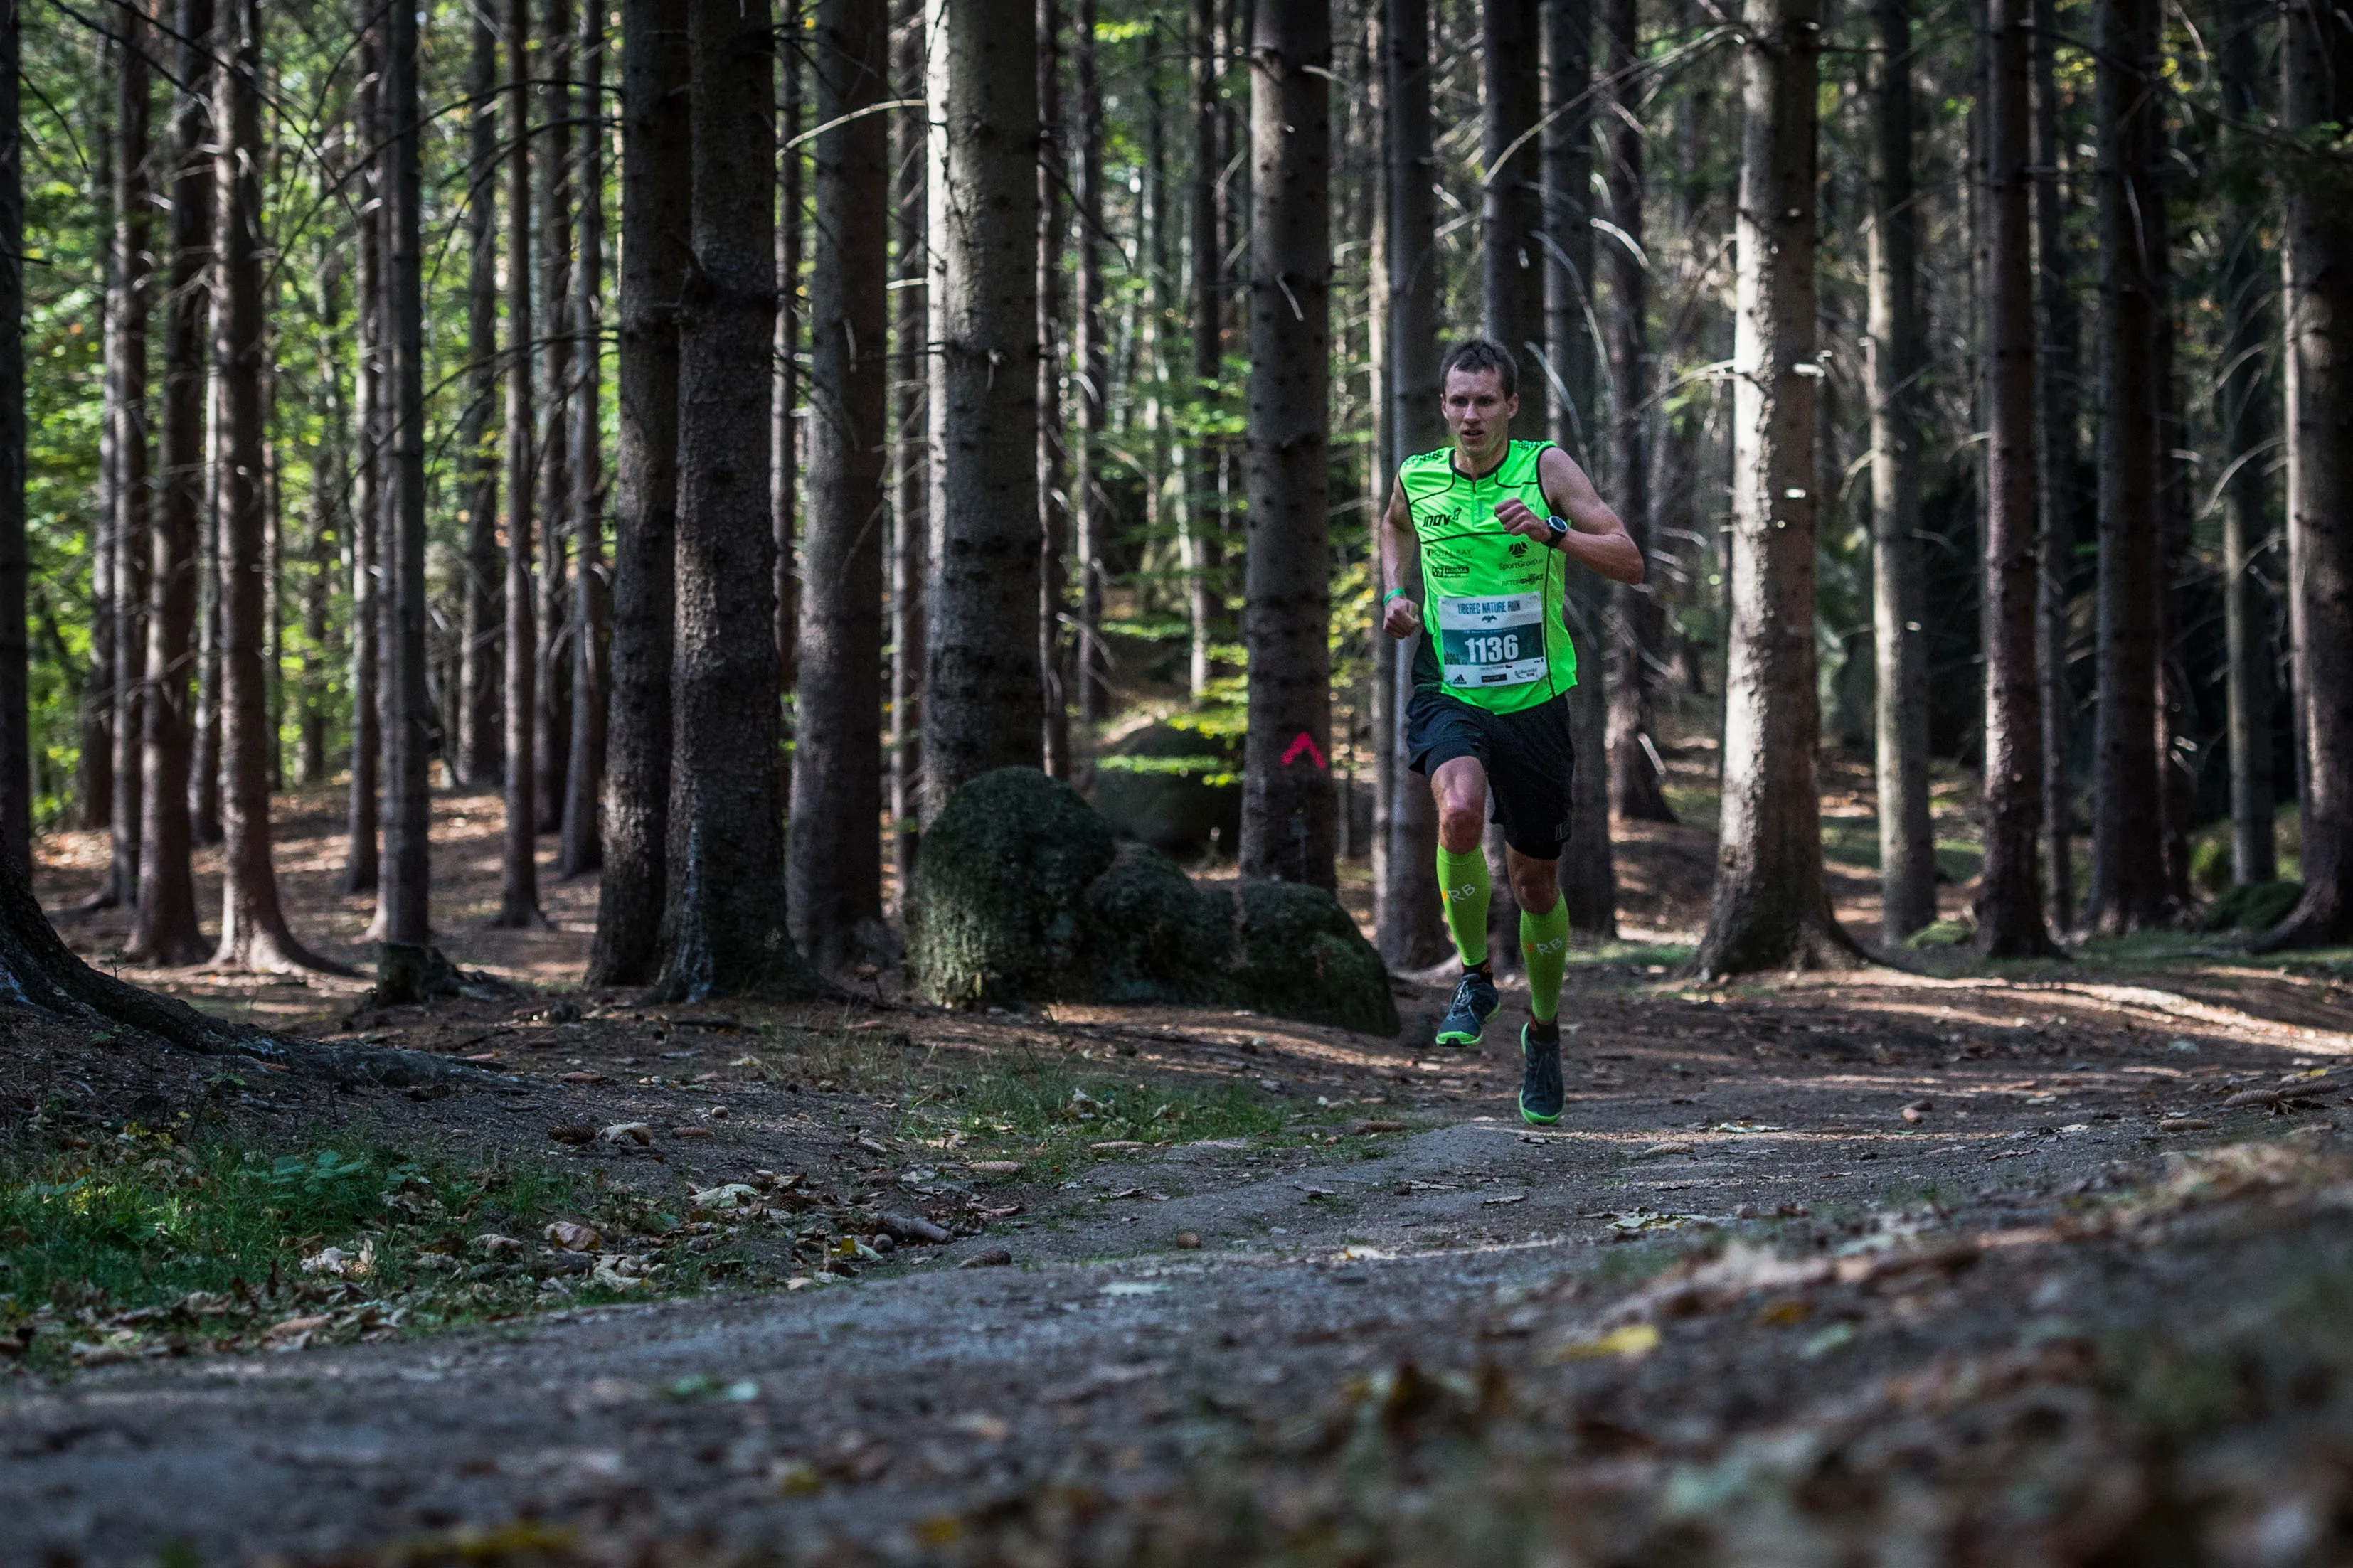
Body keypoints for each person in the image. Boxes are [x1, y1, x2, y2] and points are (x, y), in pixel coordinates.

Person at [1379, 338, 1645, 1126]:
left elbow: (1628, 560)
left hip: (1533, 702)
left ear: (1510, 406)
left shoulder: (1546, 468)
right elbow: (1392, 527)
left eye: (1484, 401)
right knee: (1457, 811)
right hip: (1447, 690)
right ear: (1443, 406)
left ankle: (1544, 1032)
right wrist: (1396, 595)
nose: (1469, 415)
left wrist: (1550, 532)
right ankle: (1472, 975)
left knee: (1534, 883)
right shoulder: (1416, 476)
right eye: (1457, 401)